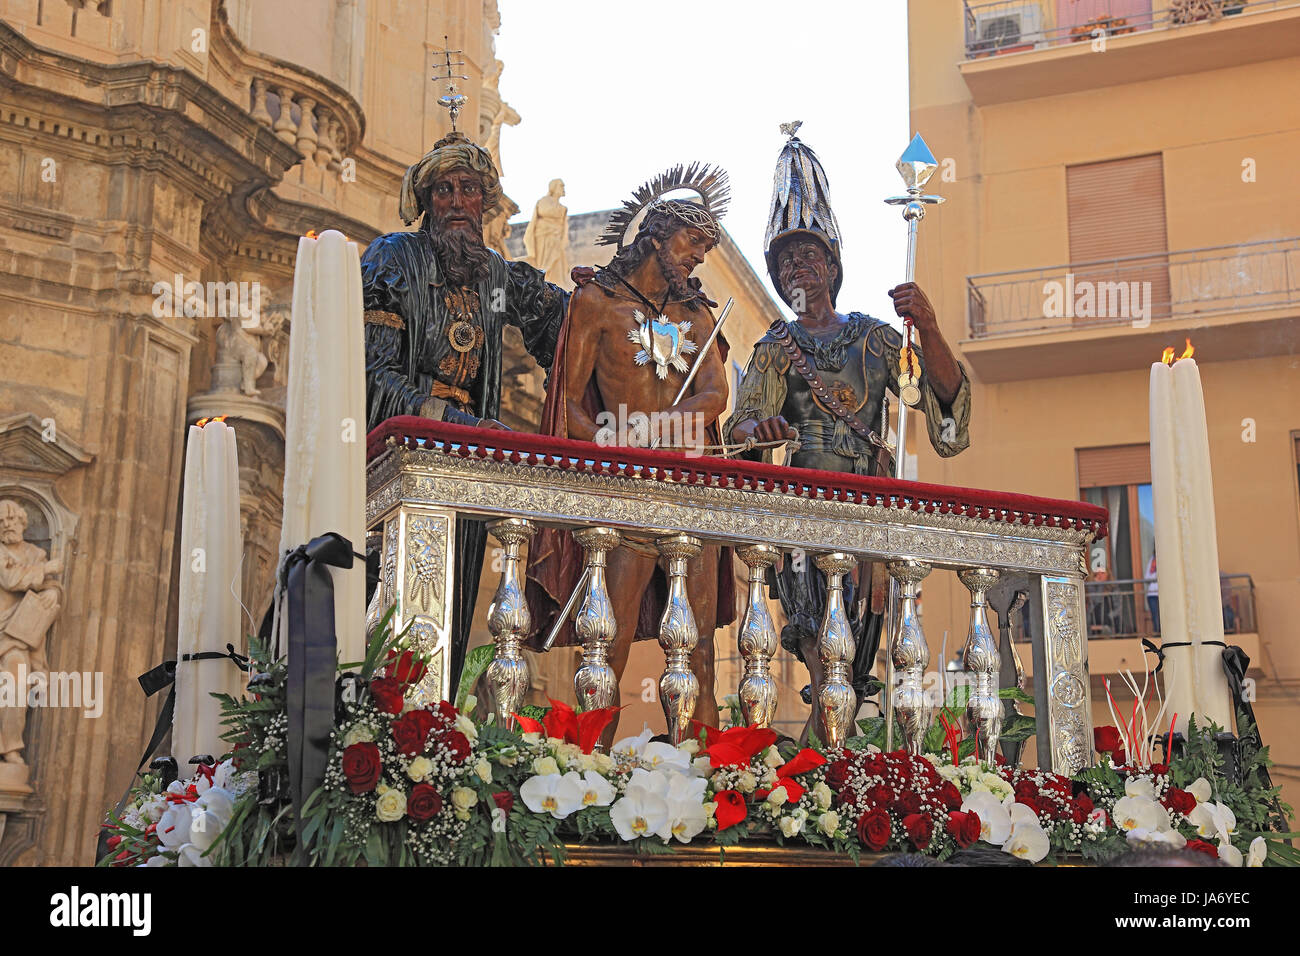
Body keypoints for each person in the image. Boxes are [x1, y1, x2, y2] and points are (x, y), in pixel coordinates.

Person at [723, 127, 972, 745]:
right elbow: (738, 428)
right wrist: (762, 429)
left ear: (832, 266)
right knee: (814, 638)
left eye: (808, 259)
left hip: (868, 505)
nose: (796, 270)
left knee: (858, 647)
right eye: (785, 265)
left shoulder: (876, 339)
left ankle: (824, 757)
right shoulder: (775, 349)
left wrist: (930, 325)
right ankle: (823, 753)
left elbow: (941, 407)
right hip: (804, 510)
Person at [526, 166, 737, 740]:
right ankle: (589, 761)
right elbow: (567, 402)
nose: (699, 257)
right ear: (656, 235)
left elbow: (714, 393)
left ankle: (706, 770)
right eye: (692, 242)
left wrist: (665, 425)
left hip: (691, 486)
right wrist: (613, 448)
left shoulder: (695, 315)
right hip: (626, 488)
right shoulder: (595, 303)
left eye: (705, 246)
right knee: (607, 640)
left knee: (696, 648)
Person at [361, 130, 568, 686]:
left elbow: (562, 328)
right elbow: (372, 374)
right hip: (396, 460)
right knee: (382, 617)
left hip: (467, 459)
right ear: (425, 203)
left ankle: (436, 732)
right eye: (445, 190)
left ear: (486, 202)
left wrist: (614, 302)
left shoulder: (493, 274)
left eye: (470, 190)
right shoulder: (393, 259)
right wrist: (450, 421)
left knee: (450, 615)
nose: (457, 201)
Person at [0, 500, 62, 765]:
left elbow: (50, 585)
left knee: (17, 682)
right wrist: (46, 569)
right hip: (3, 627)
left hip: (20, 635)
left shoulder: (36, 553)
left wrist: (52, 591)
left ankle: (10, 747)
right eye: (1, 522)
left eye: (11, 520)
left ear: (22, 522)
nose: (6, 525)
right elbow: (10, 579)